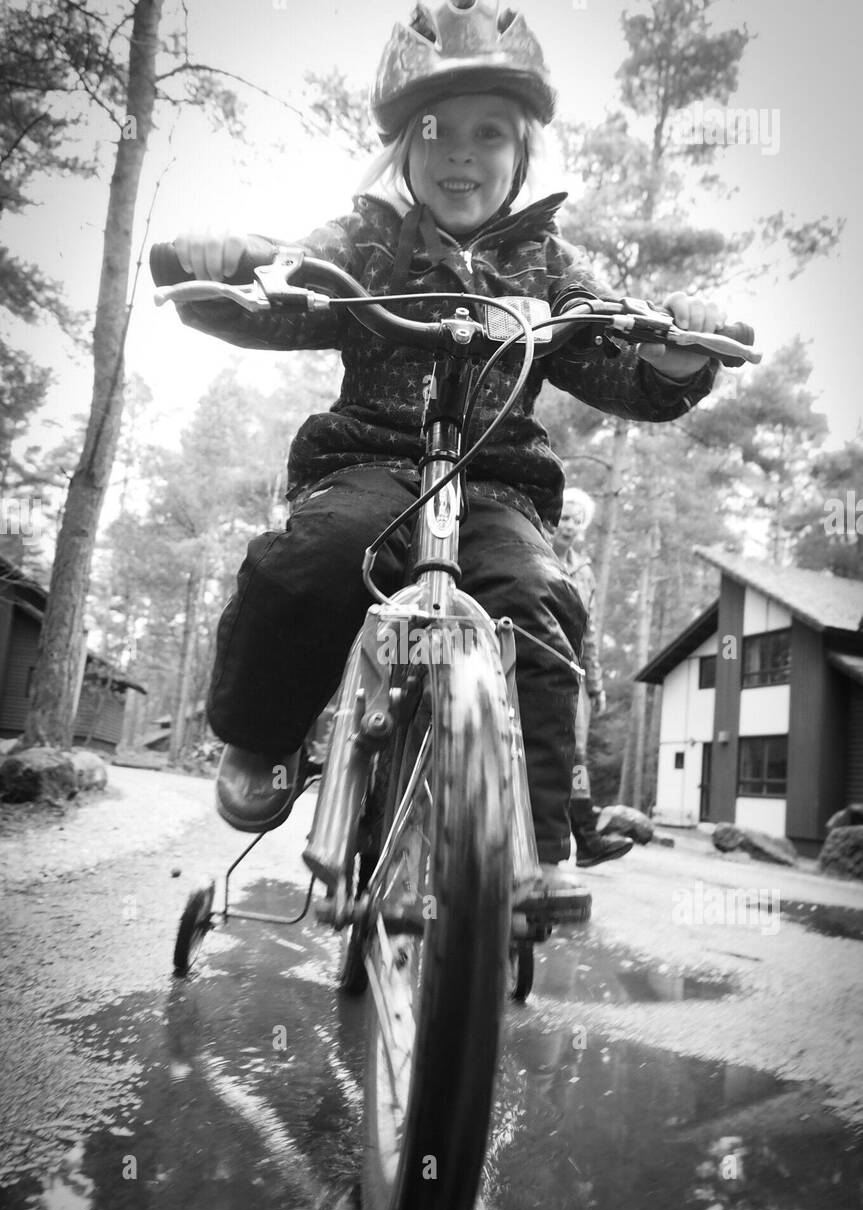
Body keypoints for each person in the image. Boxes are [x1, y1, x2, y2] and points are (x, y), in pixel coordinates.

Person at [157, 0, 721, 921]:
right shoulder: (367, 244)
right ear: (403, 149)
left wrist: (673, 358)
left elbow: (625, 365)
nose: (461, 153)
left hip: (497, 484)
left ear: (523, 151)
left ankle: (537, 847)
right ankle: (258, 741)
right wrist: (224, 269)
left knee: (537, 601)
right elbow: (281, 285)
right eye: (437, 131)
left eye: (487, 134)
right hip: (370, 465)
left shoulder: (547, 265)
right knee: (310, 563)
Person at [550, 487, 633, 867]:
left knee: (576, 759)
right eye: (565, 517)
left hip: (573, 674)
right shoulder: (535, 552)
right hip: (535, 663)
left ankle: (584, 836)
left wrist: (596, 685)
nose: (569, 526)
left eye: (576, 521)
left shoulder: (584, 572)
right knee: (547, 753)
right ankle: (569, 839)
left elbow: (590, 632)